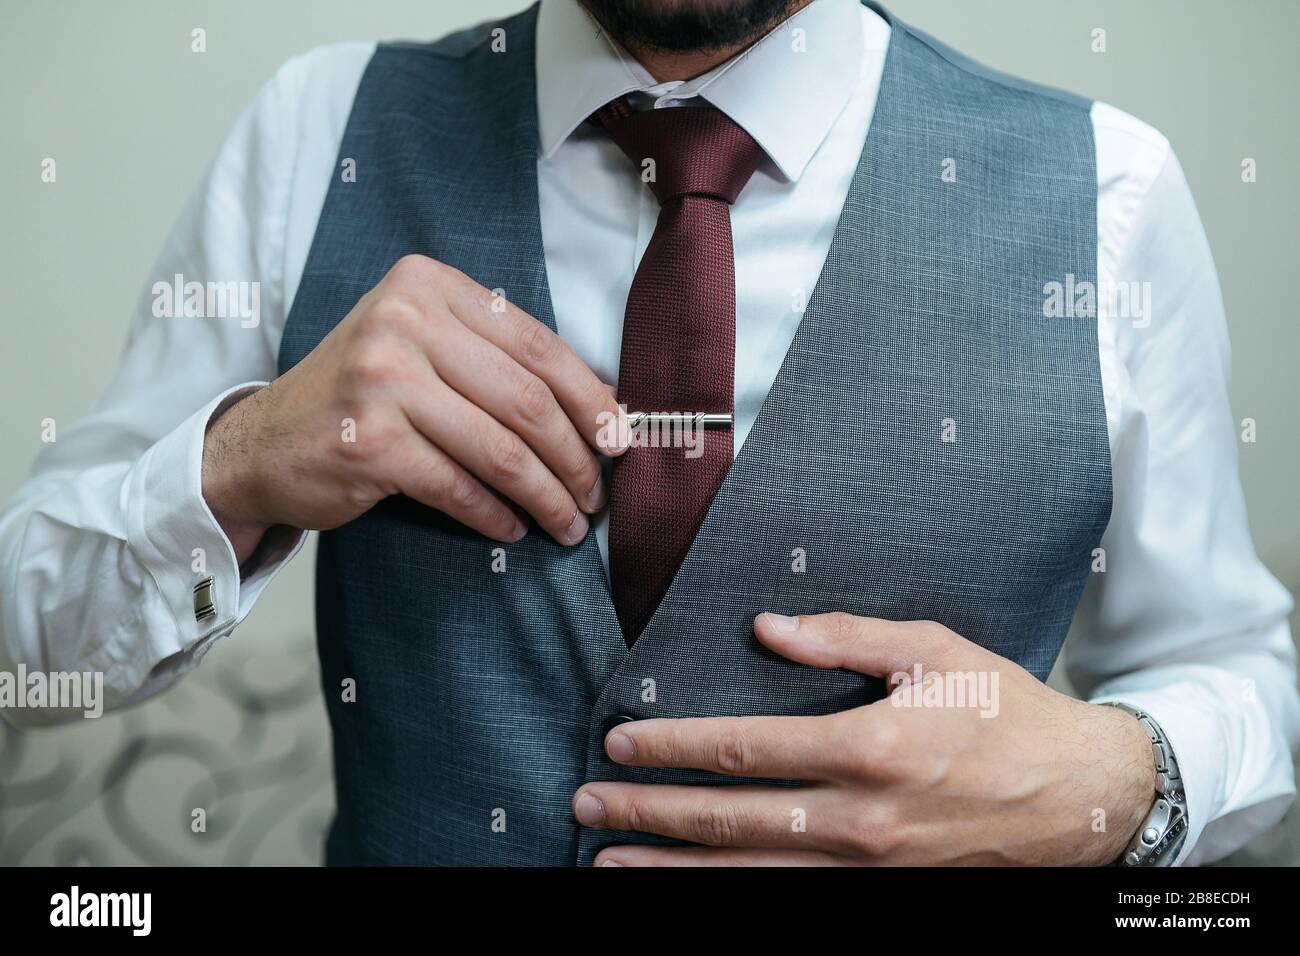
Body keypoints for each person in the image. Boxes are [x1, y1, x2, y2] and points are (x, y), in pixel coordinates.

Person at [2, 0, 1296, 866]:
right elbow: (22, 652)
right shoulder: (315, 131)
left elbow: (1236, 667)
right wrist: (238, 460)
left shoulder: (1111, 197)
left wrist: (1124, 783)